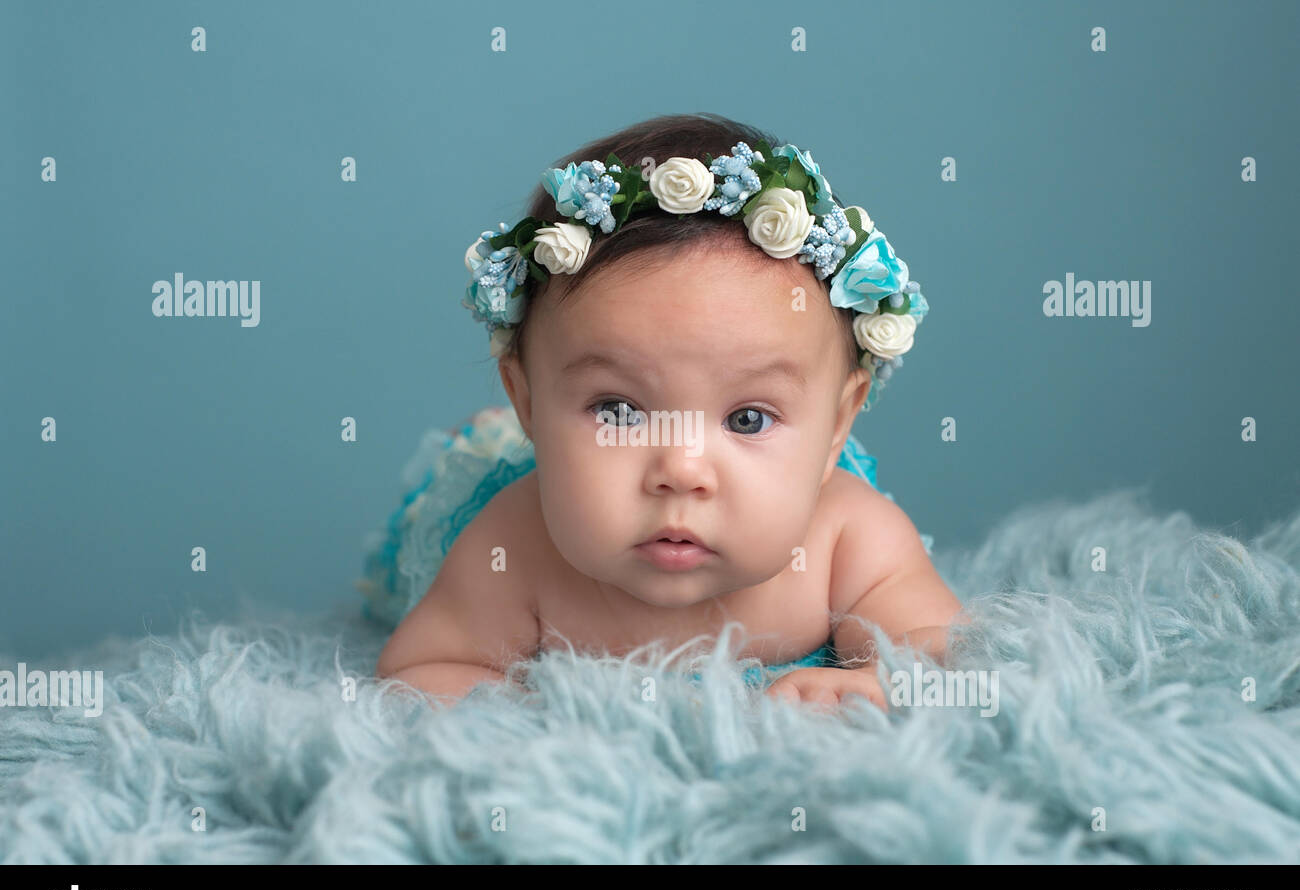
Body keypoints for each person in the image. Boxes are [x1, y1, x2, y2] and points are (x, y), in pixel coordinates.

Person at [366, 112, 966, 709]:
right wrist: (529, 717)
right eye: (618, 411)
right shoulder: (513, 548)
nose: (681, 469)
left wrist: (873, 683)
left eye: (747, 418)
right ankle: (491, 435)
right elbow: (423, 667)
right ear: (527, 403)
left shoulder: (848, 539)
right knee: (475, 459)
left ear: (838, 424)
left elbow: (935, 646)